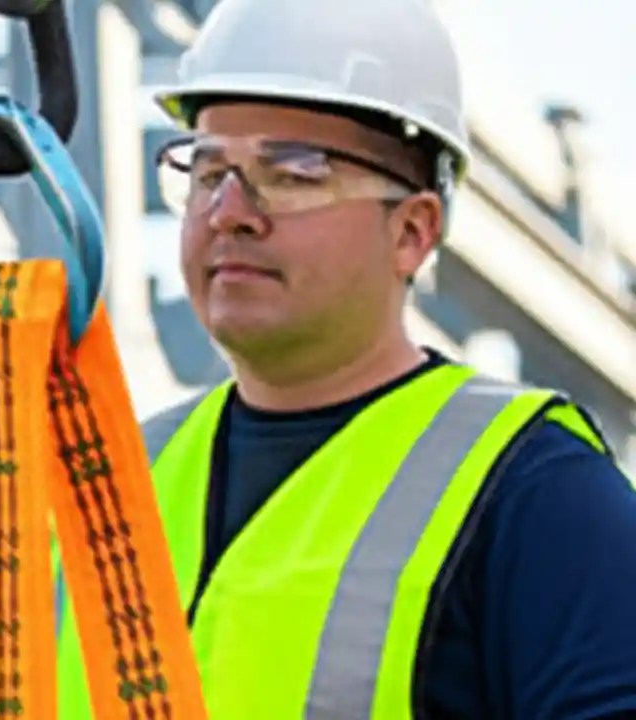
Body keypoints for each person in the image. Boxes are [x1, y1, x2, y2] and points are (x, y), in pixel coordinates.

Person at [54, 0, 636, 716]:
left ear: (413, 232)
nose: (229, 211)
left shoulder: (538, 494)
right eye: (208, 172)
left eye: (293, 174)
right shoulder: (117, 487)